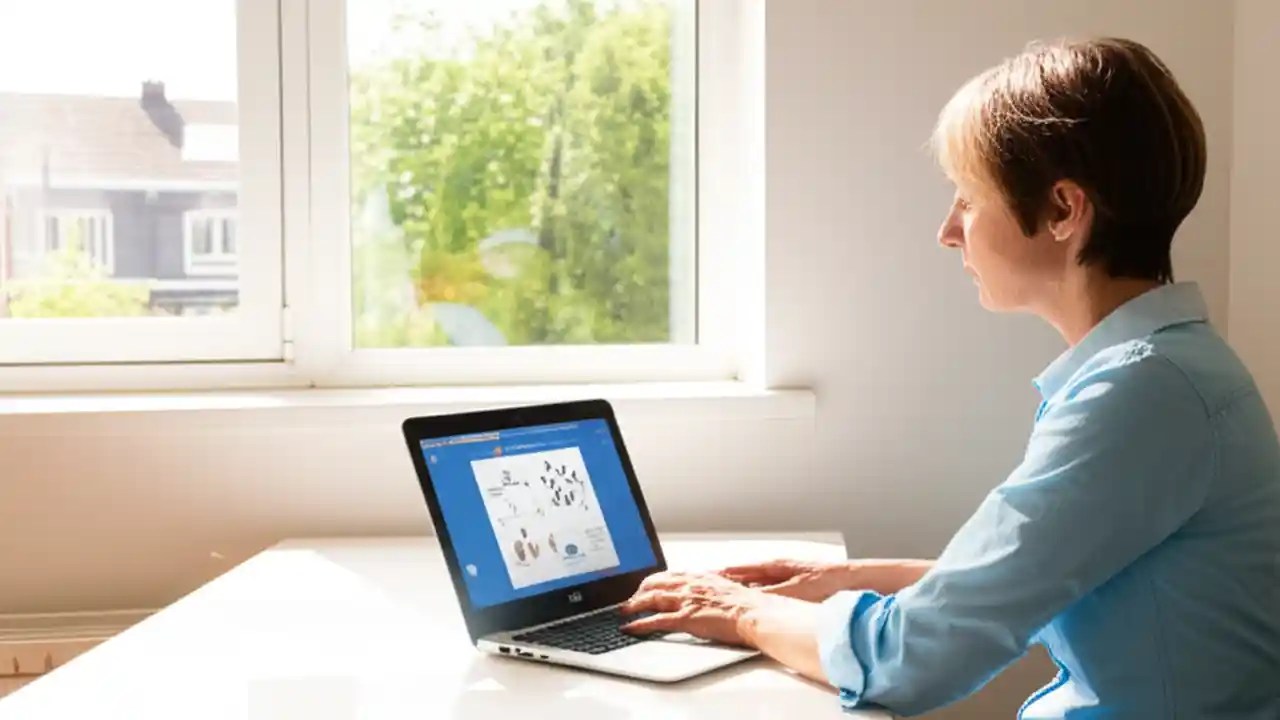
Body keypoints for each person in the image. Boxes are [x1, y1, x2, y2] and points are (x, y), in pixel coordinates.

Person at [619, 37, 1280, 718]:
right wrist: (843, 579)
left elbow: (912, 659)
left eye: (968, 197)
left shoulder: (1141, 397)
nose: (948, 230)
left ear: (1061, 210)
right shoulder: (1166, 371)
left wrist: (741, 613)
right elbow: (1044, 581)